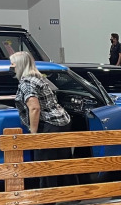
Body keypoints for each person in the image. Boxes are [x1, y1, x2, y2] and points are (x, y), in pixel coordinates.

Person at [10, 51, 74, 192]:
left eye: (12, 64)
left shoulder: (26, 82)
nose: (11, 67)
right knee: (64, 161)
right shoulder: (39, 78)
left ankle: (47, 198)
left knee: (44, 165)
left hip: (48, 124)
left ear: (20, 65)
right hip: (62, 121)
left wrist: (33, 134)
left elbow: (34, 108)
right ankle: (71, 194)